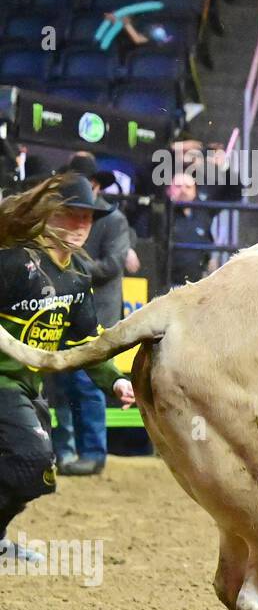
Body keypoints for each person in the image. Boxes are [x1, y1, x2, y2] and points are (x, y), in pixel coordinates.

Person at [0, 174, 135, 563]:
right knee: (33, 460)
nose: (80, 226)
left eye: (86, 218)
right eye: (71, 215)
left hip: (28, 387)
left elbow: (84, 341)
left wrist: (117, 382)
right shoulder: (12, 262)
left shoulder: (77, 277)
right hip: (2, 383)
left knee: (37, 473)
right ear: (48, 215)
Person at [45, 157, 131, 477]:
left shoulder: (115, 221)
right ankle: (65, 450)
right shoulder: (68, 222)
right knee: (63, 383)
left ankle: (93, 452)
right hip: (64, 310)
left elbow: (112, 265)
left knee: (84, 382)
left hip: (97, 310)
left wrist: (68, 267)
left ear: (95, 185)